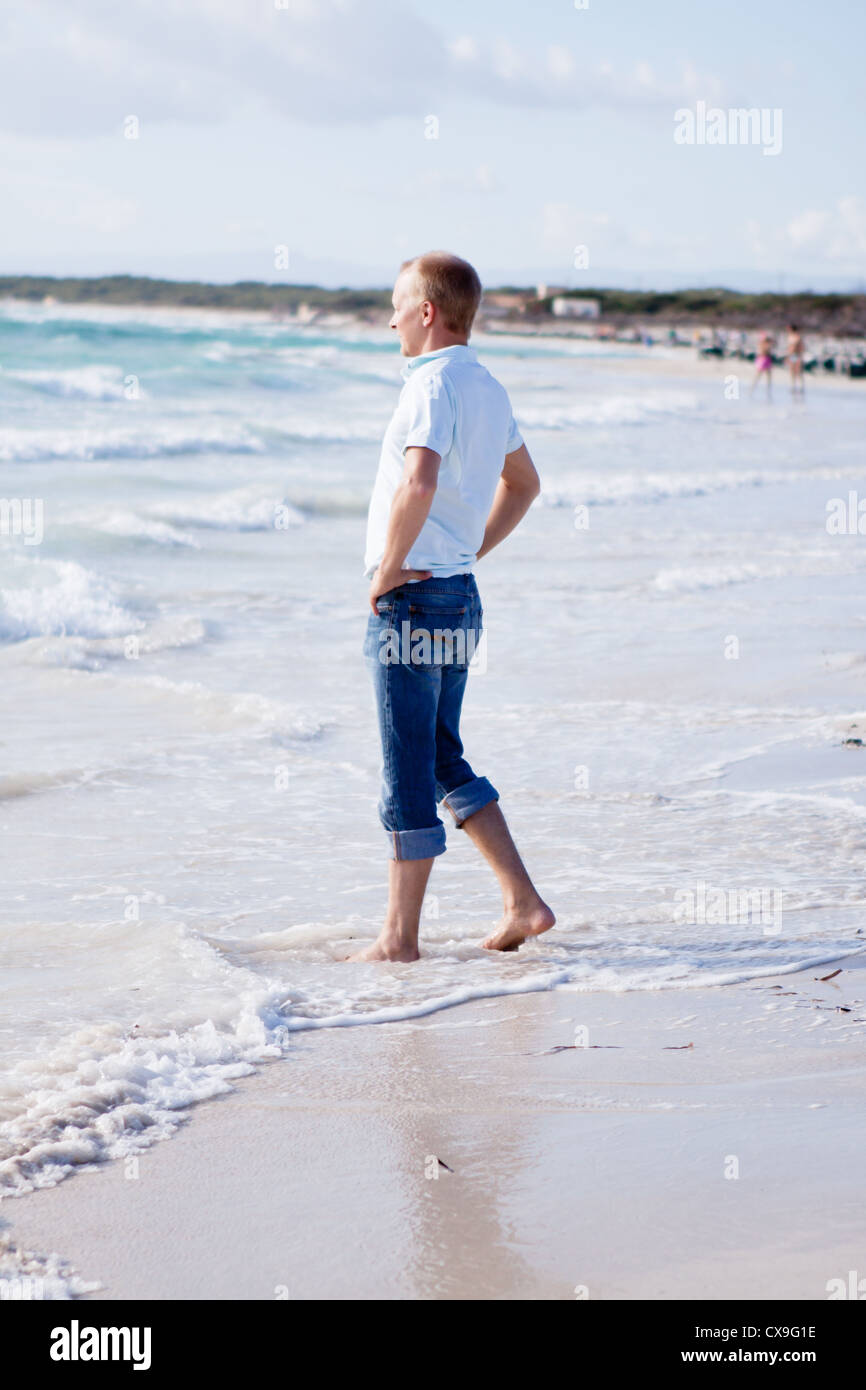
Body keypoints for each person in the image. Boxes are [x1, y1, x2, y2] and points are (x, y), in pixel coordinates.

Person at [349, 251, 555, 963]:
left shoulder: (430, 383)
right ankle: (523, 902)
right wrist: (468, 553)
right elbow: (524, 484)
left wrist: (389, 571)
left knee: (407, 767)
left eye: (398, 306)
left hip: (413, 599)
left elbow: (419, 479)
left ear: (427, 312)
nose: (391, 319)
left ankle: (398, 940)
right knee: (439, 755)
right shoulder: (488, 386)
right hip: (458, 594)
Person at [750, 330, 775, 399]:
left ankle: (767, 391)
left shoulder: (764, 344)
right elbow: (763, 351)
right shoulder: (763, 344)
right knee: (760, 375)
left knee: (766, 376)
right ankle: (753, 389)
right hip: (764, 359)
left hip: (765, 359)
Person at [786, 323, 805, 396]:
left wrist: (800, 355)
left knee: (798, 371)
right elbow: (789, 347)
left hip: (797, 355)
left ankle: (801, 387)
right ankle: (793, 386)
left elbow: (801, 346)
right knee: (792, 371)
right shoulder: (790, 337)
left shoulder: (797, 337)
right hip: (791, 355)